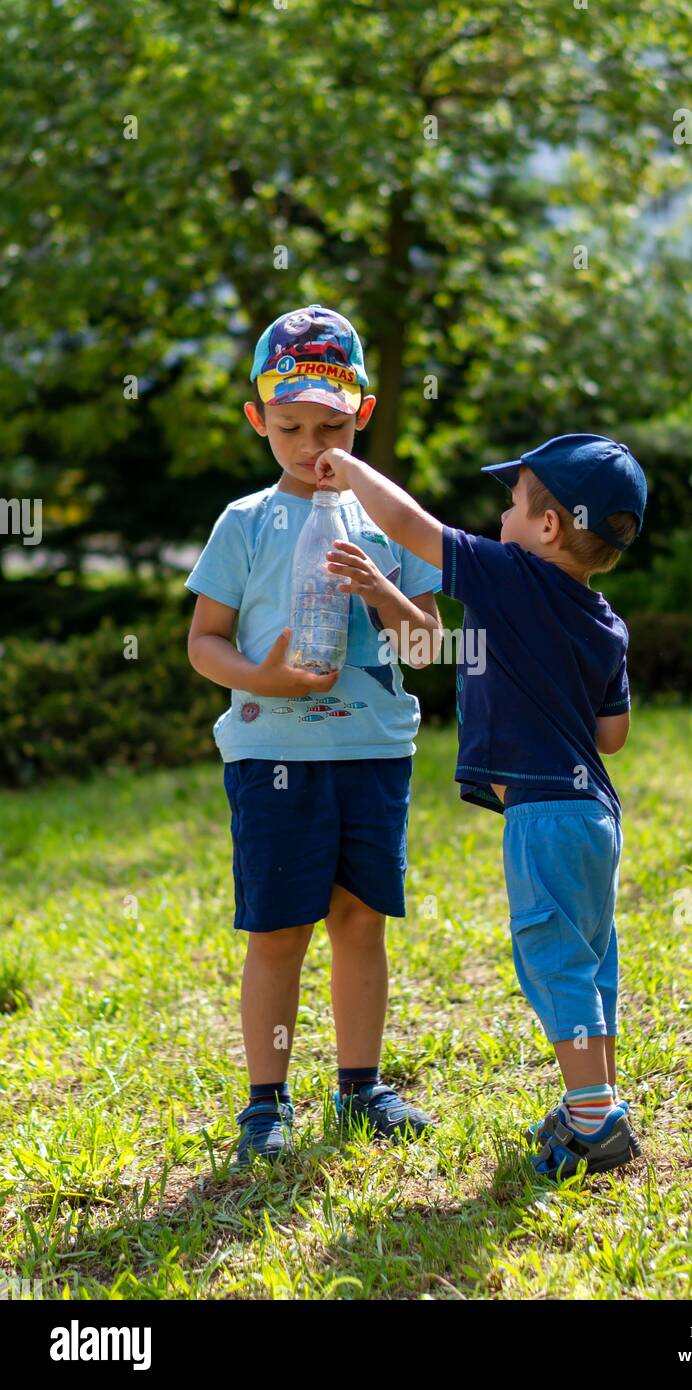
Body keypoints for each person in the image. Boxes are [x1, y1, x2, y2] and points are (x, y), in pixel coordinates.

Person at [315, 433, 647, 1177]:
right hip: (596, 811)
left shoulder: (507, 576)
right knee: (590, 961)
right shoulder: (604, 622)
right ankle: (596, 1099)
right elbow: (612, 733)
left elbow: (407, 525)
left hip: (543, 812)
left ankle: (593, 1121)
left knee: (552, 956)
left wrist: (352, 466)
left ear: (548, 528)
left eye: (510, 503)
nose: (499, 519)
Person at [185, 305, 443, 1165]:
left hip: (372, 752)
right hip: (271, 755)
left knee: (359, 920)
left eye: (330, 424)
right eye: (288, 425)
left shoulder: (393, 522)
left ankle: (360, 1086)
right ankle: (266, 1103)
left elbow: (424, 645)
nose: (309, 443)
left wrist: (378, 585)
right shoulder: (246, 521)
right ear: (258, 418)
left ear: (362, 414)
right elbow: (204, 642)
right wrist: (264, 678)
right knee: (278, 928)